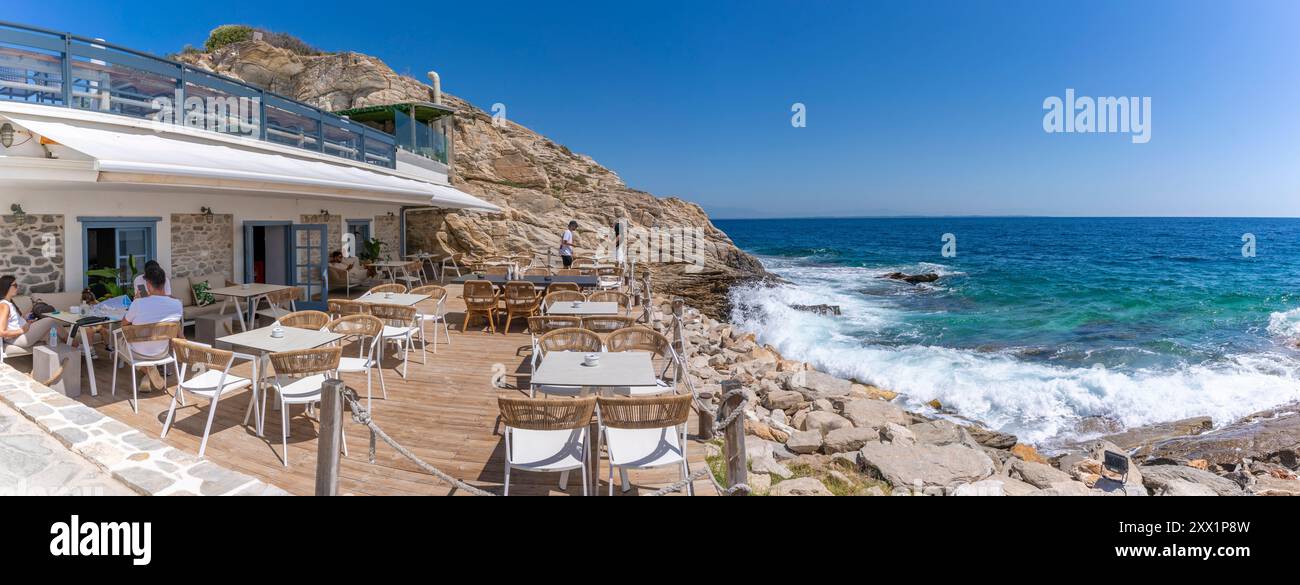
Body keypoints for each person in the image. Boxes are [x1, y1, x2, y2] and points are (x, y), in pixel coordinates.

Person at [122, 264, 183, 362]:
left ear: (148, 285)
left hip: (137, 353)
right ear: (164, 283)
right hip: (162, 352)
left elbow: (123, 324)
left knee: (118, 340)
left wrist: (137, 301)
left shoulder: (138, 303)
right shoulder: (177, 304)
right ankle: (152, 373)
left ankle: (150, 373)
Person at [0, 275, 61, 351]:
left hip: (22, 333)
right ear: (6, 287)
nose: (17, 287)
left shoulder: (10, 303)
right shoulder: (4, 305)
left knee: (51, 334)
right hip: (18, 337)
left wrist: (26, 322)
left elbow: (14, 323)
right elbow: (1, 332)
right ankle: (73, 343)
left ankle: (56, 360)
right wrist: (22, 330)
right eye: (15, 285)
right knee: (50, 320)